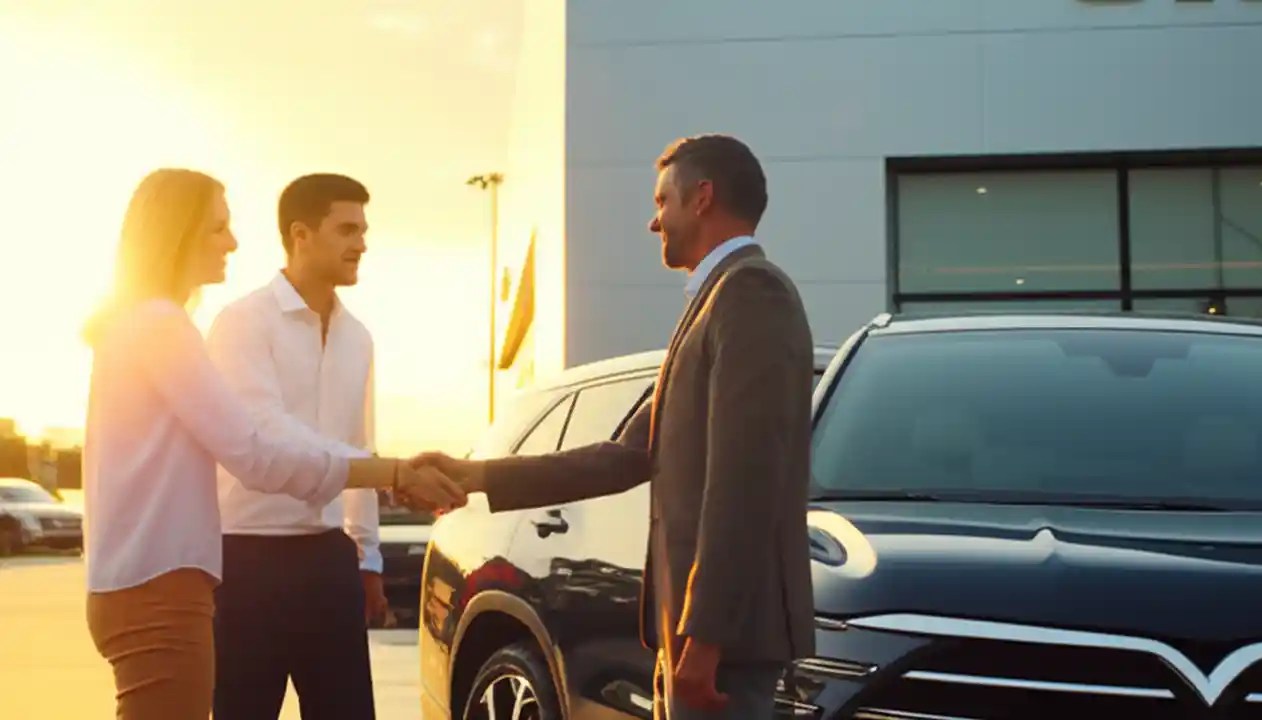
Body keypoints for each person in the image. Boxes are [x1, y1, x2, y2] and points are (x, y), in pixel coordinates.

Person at [419, 134, 816, 719]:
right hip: (686, 640)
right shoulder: (713, 303)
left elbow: (744, 485)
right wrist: (472, 474)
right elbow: (620, 458)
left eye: (662, 202)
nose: (654, 222)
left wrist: (705, 641)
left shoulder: (751, 294)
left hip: (722, 646)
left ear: (702, 197)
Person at [81, 168, 466, 720]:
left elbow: (305, 442)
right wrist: (396, 472)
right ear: (178, 231)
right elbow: (256, 451)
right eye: (218, 228)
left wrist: (368, 545)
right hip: (170, 584)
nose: (233, 242)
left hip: (162, 582)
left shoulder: (144, 325)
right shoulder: (167, 326)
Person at [206, 174, 385, 719]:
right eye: (347, 229)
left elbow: (359, 442)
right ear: (300, 234)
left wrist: (368, 555)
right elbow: (265, 428)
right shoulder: (241, 322)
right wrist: (394, 472)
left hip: (328, 559)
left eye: (363, 230)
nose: (361, 243)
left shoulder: (358, 336)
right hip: (243, 559)